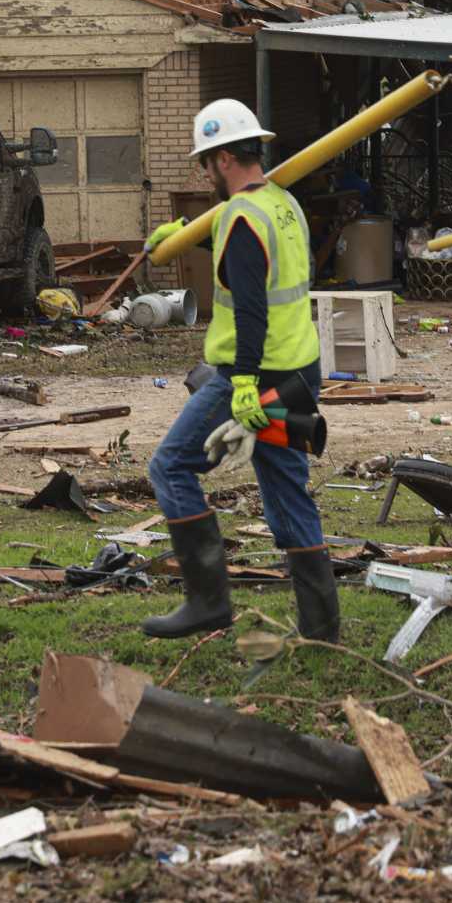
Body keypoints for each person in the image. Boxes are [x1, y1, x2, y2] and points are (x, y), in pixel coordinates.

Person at [141, 100, 334, 643]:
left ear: (224, 159)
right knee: (286, 492)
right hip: (299, 372)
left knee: (171, 467)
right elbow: (259, 261)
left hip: (251, 378)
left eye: (206, 162)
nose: (204, 173)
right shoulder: (283, 203)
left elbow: (251, 306)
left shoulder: (240, 217)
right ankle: (322, 630)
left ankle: (207, 601)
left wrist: (245, 384)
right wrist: (186, 233)